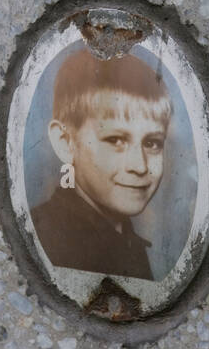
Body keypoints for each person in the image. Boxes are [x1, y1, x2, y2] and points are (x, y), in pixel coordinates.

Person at [30, 48, 171, 280]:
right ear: (66, 142)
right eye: (116, 140)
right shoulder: (47, 239)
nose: (140, 166)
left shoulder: (125, 239)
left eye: (152, 143)